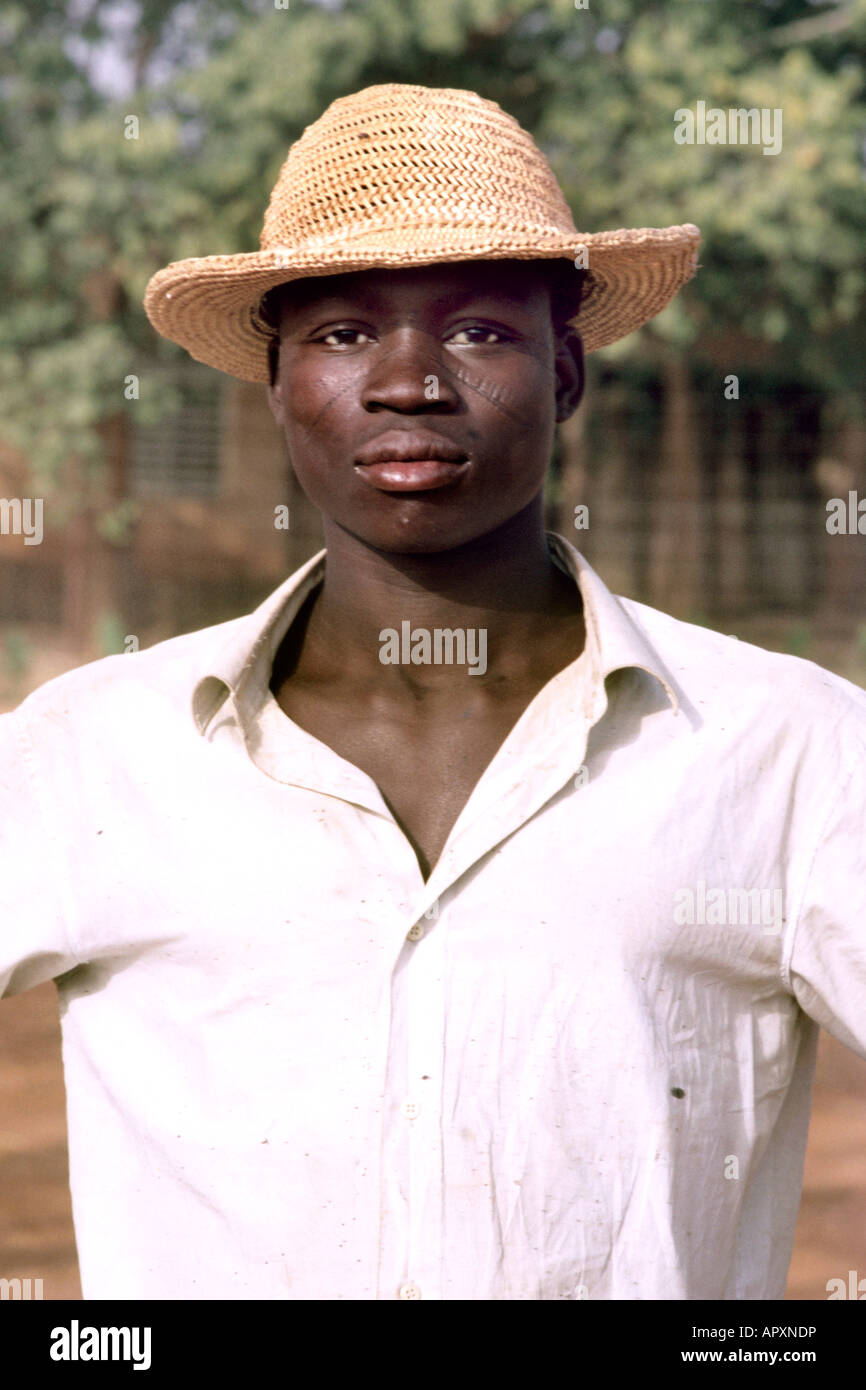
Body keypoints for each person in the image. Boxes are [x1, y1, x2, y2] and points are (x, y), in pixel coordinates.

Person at [2, 82, 864, 1301]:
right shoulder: (90, 754)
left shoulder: (784, 749)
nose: (410, 384)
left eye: (480, 333)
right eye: (344, 334)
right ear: (277, 382)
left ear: (563, 372)